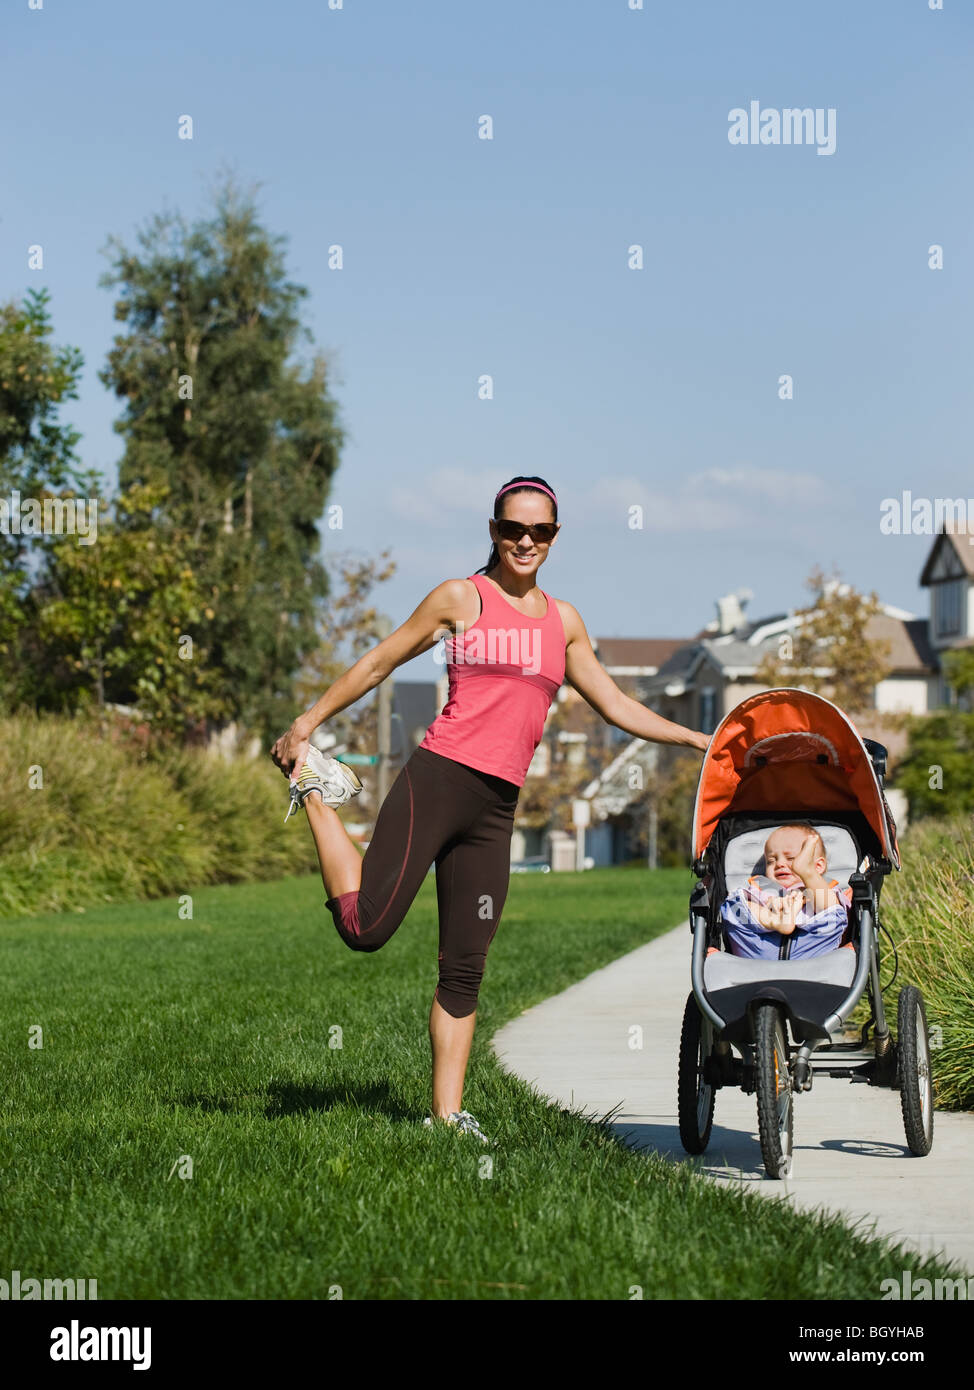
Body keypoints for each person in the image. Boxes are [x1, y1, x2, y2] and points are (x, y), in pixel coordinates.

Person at [270, 475, 710, 1143]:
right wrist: (307, 723)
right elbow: (378, 662)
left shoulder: (564, 623)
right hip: (438, 782)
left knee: (466, 963)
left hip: (497, 807)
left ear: (555, 538)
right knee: (366, 929)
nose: (525, 541)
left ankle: (446, 1117)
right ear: (493, 531)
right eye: (513, 529)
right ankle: (313, 786)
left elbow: (615, 704)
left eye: (540, 532)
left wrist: (695, 738)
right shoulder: (461, 598)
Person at [719, 822, 853, 960]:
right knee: (733, 904)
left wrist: (810, 883)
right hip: (757, 952)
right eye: (771, 861)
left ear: (818, 866)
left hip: (814, 950)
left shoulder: (823, 887)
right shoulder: (760, 888)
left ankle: (806, 872)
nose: (779, 864)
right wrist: (768, 906)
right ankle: (776, 921)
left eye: (790, 858)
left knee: (833, 910)